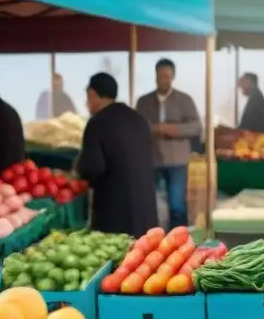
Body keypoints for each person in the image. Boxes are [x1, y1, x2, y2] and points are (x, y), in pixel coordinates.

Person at [79, 73, 159, 236]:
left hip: (115, 215)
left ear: (93, 94)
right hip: (146, 212)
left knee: (120, 259)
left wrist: (78, 172)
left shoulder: (97, 122)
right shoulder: (138, 118)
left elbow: (93, 167)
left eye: (88, 97)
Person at [135, 58, 201, 229]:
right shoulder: (143, 102)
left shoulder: (185, 100)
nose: (164, 79)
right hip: (151, 159)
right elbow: (136, 127)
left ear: (173, 77)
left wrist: (173, 129)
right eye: (160, 76)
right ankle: (150, 243)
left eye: (167, 76)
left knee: (177, 204)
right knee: (149, 204)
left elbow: (195, 127)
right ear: (155, 76)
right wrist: (154, 128)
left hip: (177, 160)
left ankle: (179, 243)